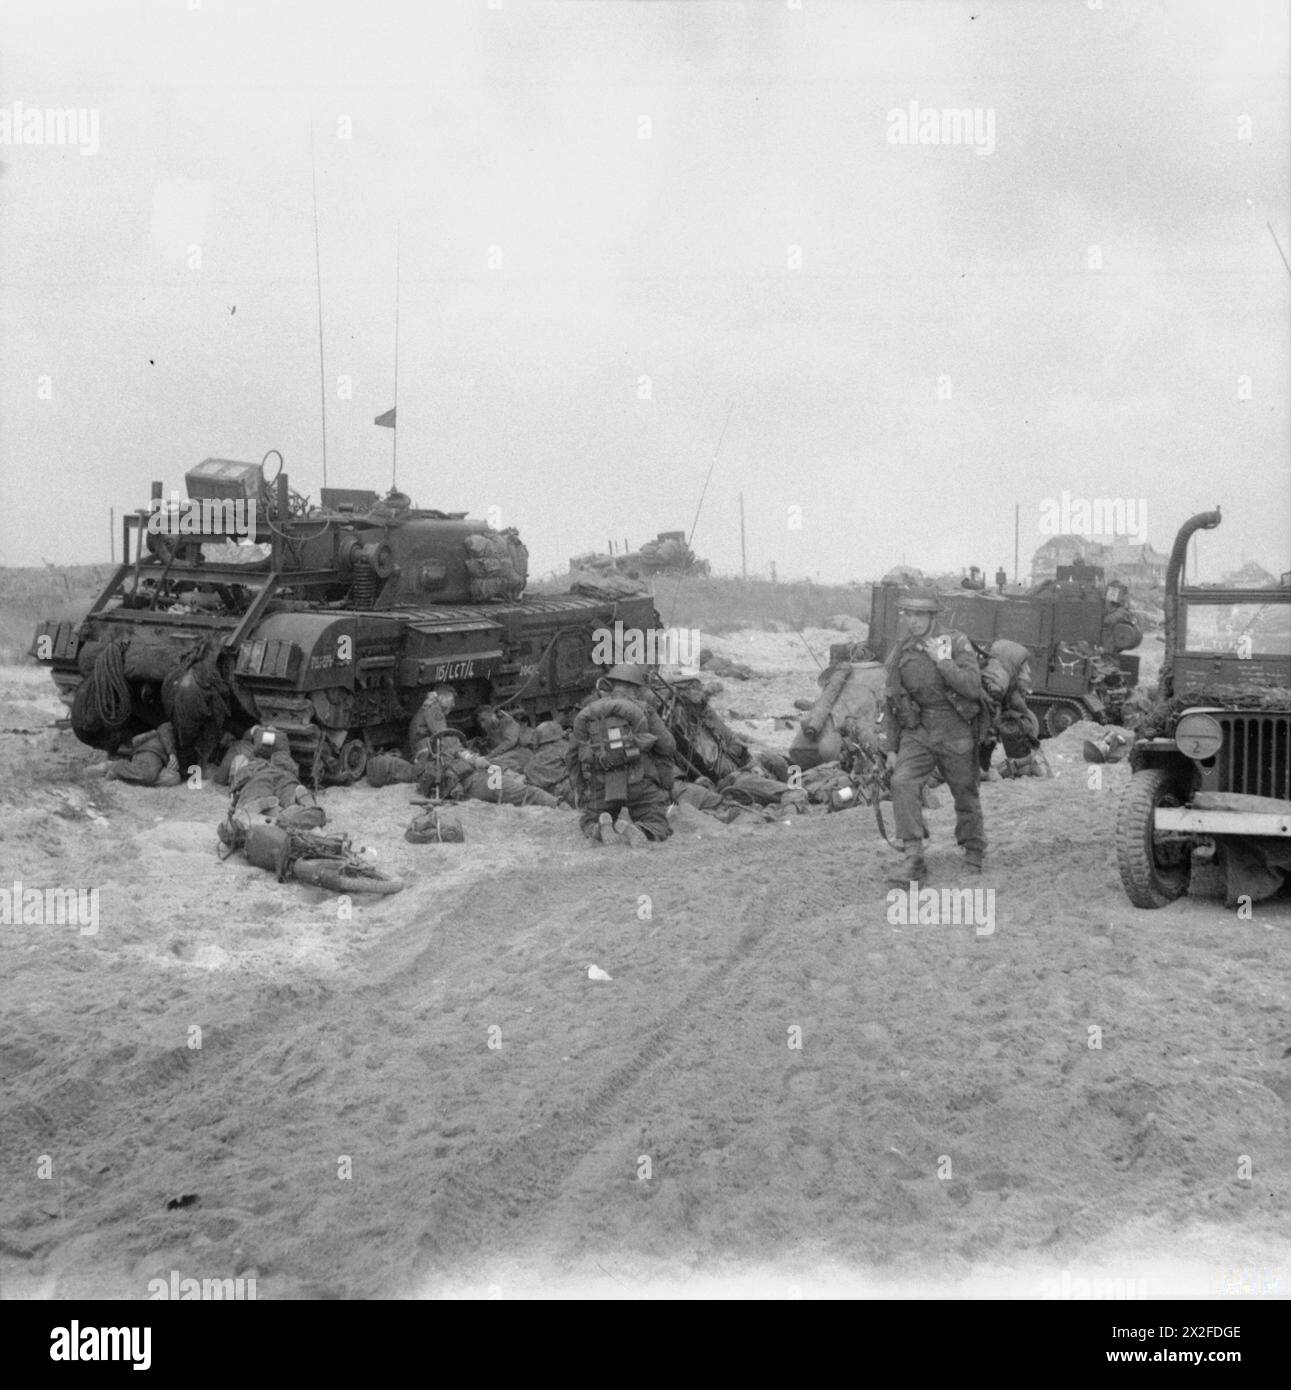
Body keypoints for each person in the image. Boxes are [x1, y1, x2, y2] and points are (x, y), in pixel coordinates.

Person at [881, 589, 987, 883]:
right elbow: (892, 700)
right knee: (901, 782)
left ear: (932, 616)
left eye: (918, 615)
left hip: (955, 727)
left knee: (964, 792)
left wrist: (942, 661)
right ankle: (914, 858)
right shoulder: (902, 649)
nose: (912, 621)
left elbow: (972, 687)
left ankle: (974, 851)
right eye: (908, 614)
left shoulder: (956, 642)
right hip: (919, 729)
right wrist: (891, 748)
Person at [567, 664, 677, 846]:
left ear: (611, 685)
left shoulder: (591, 711)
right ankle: (639, 829)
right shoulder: (644, 710)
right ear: (636, 688)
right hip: (639, 783)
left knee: (588, 820)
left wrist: (580, 789)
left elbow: (572, 755)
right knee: (658, 823)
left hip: (603, 785)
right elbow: (668, 747)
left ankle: (600, 827)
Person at [978, 639, 1044, 779]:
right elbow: (991, 710)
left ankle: (986, 768)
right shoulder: (999, 678)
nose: (1028, 670)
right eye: (1024, 665)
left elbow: (1015, 703)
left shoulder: (1003, 674)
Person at [105, 722, 181, 786]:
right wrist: (172, 754)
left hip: (161, 763)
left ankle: (131, 775)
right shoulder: (175, 723)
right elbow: (163, 729)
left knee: (174, 778)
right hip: (152, 751)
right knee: (149, 774)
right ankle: (119, 767)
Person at [409, 685, 457, 761]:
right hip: (426, 754)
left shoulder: (428, 707)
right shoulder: (434, 709)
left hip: (422, 750)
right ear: (441, 698)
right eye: (452, 700)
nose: (453, 704)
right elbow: (441, 733)